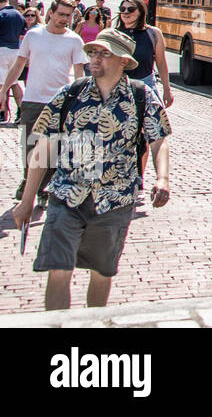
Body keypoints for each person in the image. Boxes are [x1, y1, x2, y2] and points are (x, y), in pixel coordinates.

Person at [13, 28, 171, 311]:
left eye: (104, 53)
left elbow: (158, 140)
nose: (95, 58)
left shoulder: (141, 96)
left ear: (123, 61)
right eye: (93, 52)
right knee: (58, 270)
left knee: (101, 273)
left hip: (114, 201)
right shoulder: (71, 93)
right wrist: (27, 201)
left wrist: (163, 178)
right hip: (66, 196)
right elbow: (43, 148)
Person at [1, 0, 88, 205]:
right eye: (61, 14)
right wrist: (4, 90)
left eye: (68, 16)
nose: (64, 19)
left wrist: (81, 100)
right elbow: (19, 65)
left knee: (53, 150)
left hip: (59, 102)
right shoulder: (33, 35)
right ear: (50, 12)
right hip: (33, 99)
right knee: (30, 147)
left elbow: (79, 74)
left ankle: (39, 188)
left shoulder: (74, 40)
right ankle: (30, 182)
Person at [114, 0, 173, 109]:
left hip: (146, 85)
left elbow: (161, 63)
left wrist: (167, 89)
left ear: (141, 11)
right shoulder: (114, 34)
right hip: (119, 88)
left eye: (131, 9)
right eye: (123, 9)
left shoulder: (153, 33)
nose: (126, 12)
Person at [0, 0, 25, 121]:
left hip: (2, 50)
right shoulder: (19, 15)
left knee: (1, 84)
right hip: (15, 51)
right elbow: (22, 35)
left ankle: (1, 112)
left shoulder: (1, 14)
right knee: (14, 83)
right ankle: (21, 111)